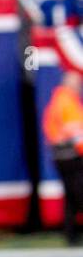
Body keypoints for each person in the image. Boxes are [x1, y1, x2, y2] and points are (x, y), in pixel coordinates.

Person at [42, 70, 83, 245]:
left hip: (61, 156)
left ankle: (70, 234)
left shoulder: (57, 101)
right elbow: (77, 133)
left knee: (71, 197)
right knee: (78, 194)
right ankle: (71, 234)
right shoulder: (67, 102)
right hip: (71, 156)